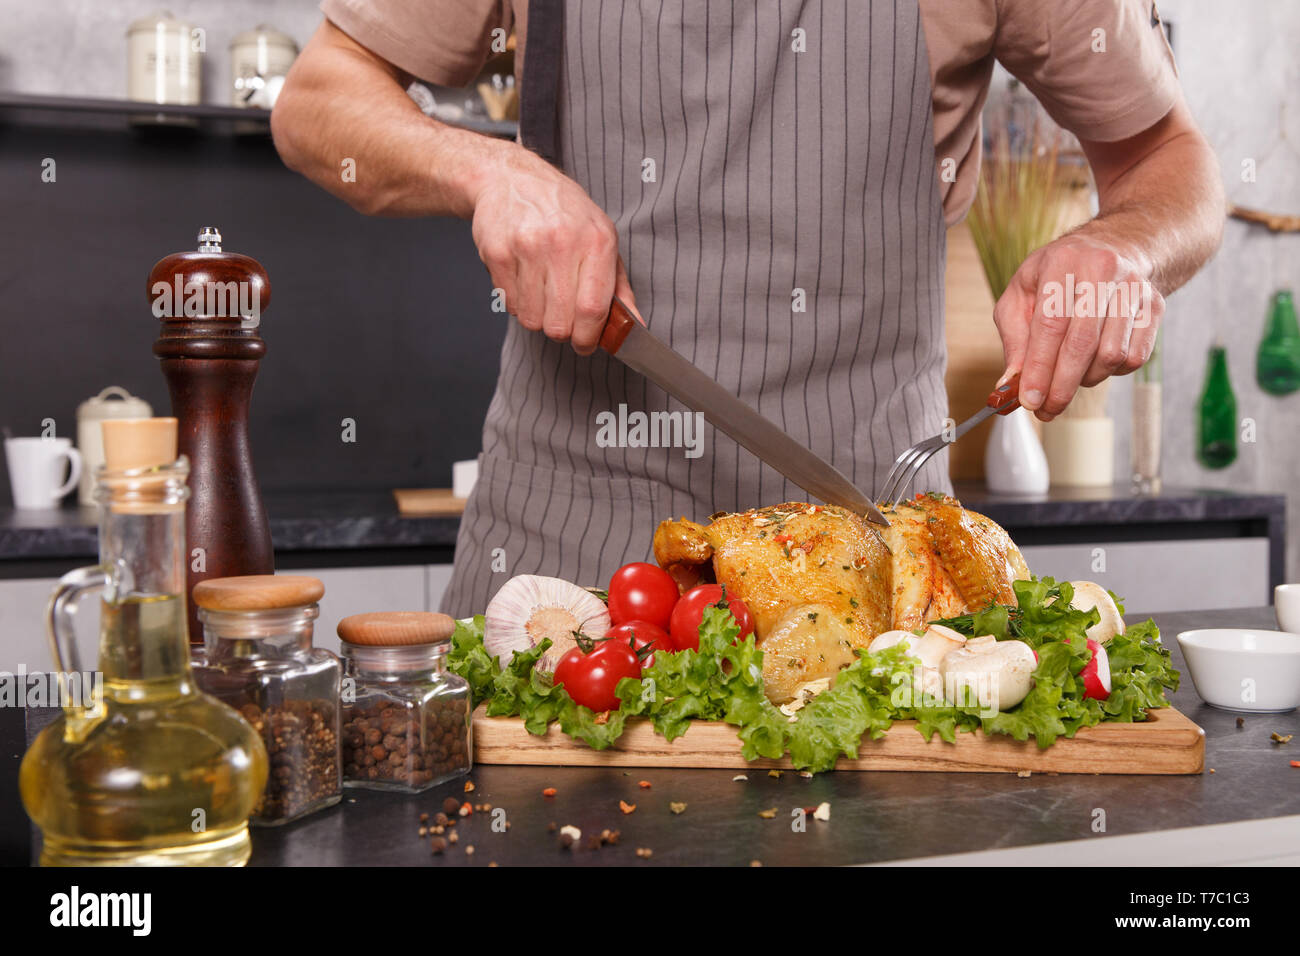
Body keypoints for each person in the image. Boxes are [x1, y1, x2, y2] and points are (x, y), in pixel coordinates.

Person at [272, 0, 1224, 616]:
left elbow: (1169, 163)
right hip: (564, 569)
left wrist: (1118, 247)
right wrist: (486, 168)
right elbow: (319, 100)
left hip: (870, 565)